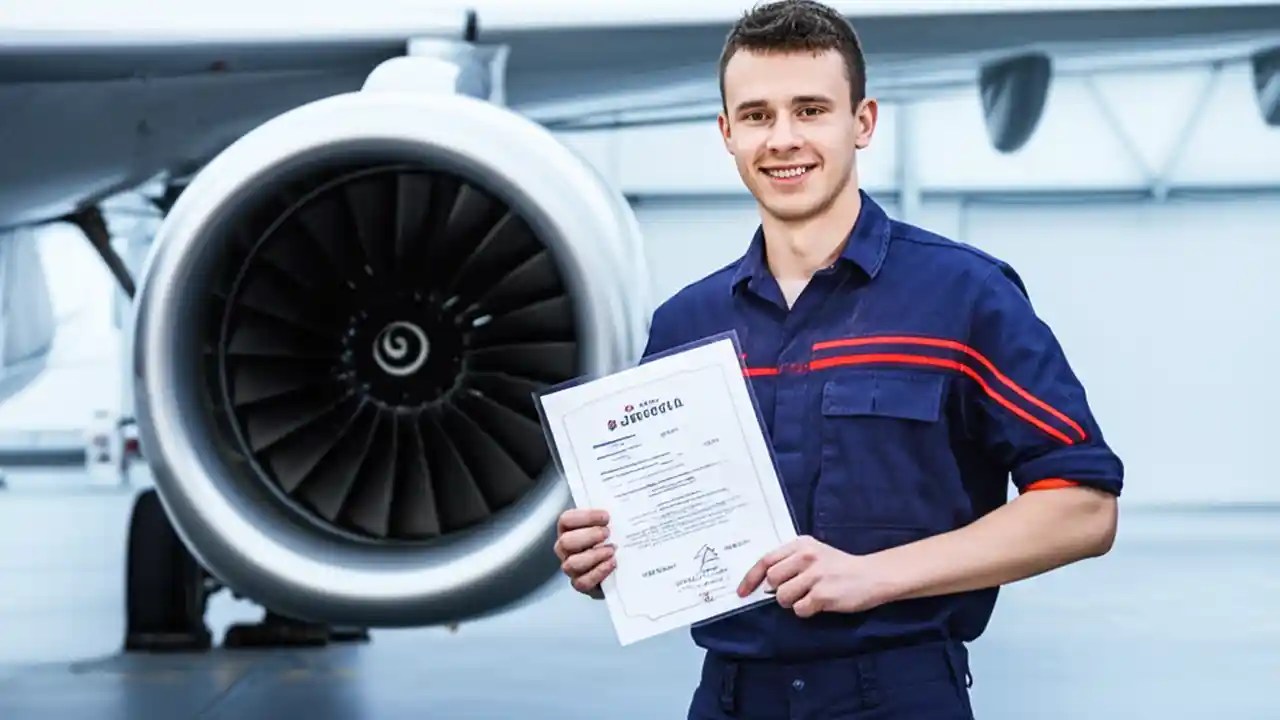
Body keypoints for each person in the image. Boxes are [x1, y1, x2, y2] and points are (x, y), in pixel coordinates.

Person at [553, 1, 1123, 717]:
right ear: (727, 134)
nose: (782, 139)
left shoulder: (964, 296)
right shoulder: (686, 326)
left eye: (811, 110)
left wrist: (872, 578)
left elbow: (1083, 507)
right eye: (756, 116)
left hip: (899, 694)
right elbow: (658, 528)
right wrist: (603, 555)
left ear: (863, 122)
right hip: (729, 696)